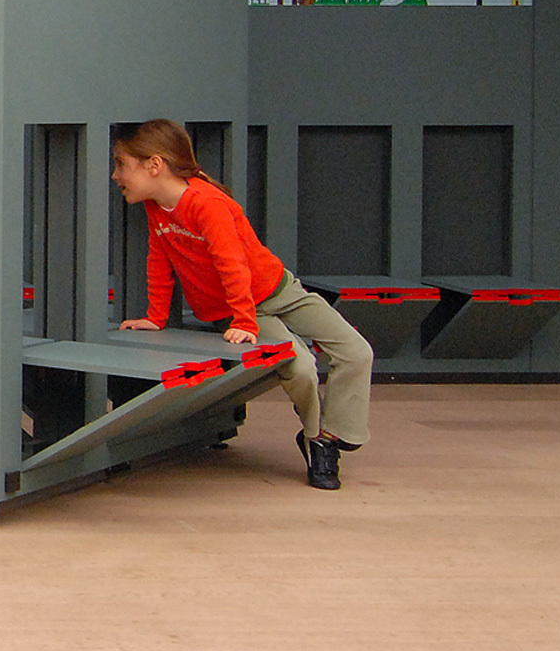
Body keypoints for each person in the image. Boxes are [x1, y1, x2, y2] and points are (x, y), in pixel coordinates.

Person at [111, 120, 373, 490]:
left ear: (154, 165)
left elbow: (231, 263)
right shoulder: (156, 209)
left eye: (121, 164)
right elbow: (159, 259)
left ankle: (335, 434)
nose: (115, 174)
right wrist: (155, 317)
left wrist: (246, 322)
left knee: (356, 352)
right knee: (300, 368)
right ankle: (317, 441)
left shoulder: (207, 204)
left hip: (277, 291)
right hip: (236, 311)